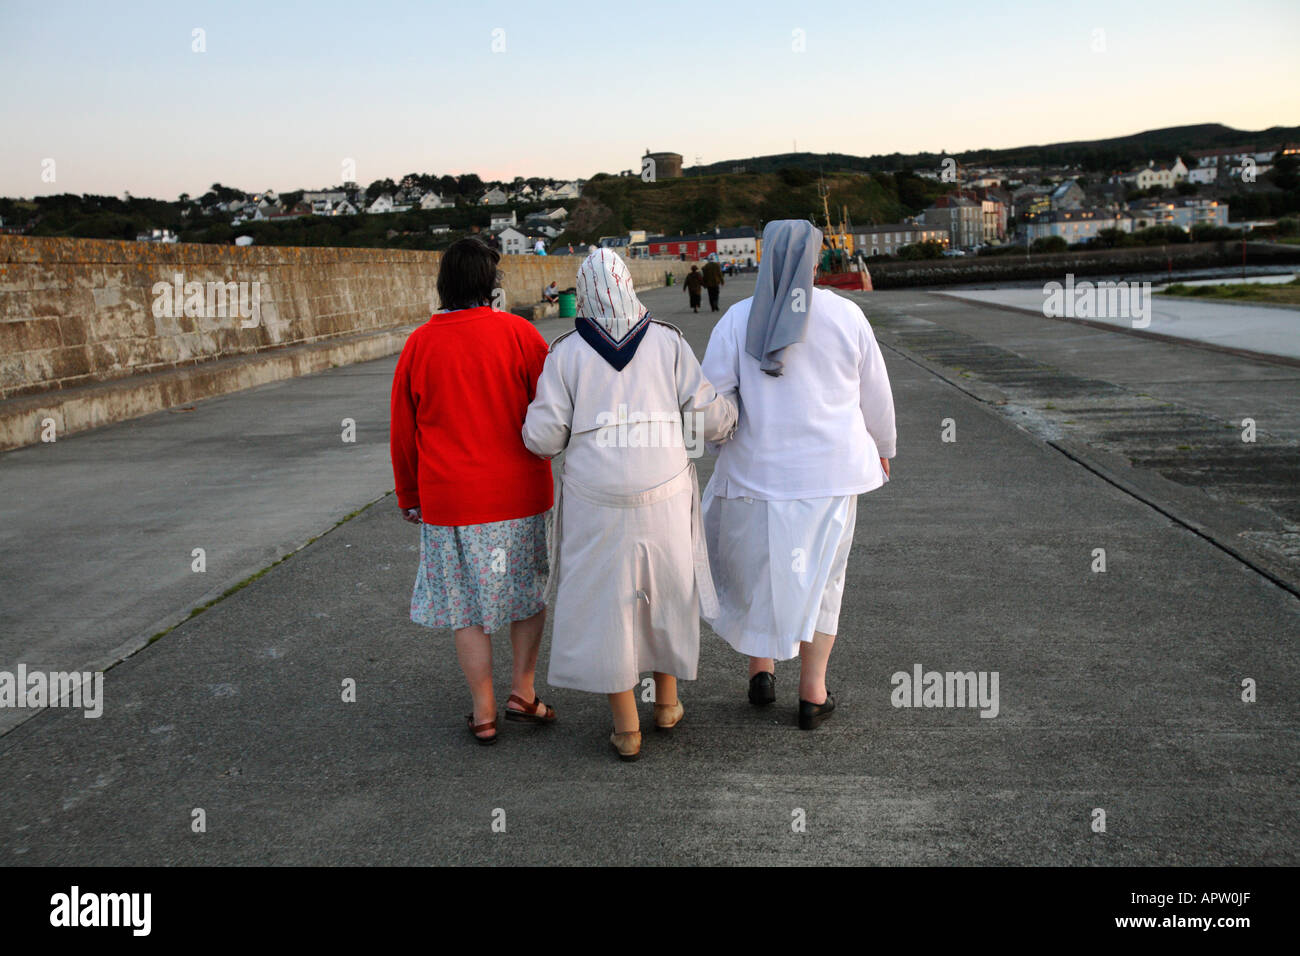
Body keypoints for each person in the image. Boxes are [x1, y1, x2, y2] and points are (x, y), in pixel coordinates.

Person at [523, 249, 737, 762]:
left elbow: (544, 438)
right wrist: (727, 419)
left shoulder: (566, 352)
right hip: (663, 487)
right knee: (666, 589)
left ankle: (626, 729)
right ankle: (666, 704)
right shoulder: (668, 340)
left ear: (585, 291)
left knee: (608, 603)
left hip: (596, 496)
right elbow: (706, 419)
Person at [700, 220, 896, 730]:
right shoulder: (846, 314)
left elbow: (712, 402)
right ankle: (812, 693)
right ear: (813, 261)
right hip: (831, 474)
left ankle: (760, 671)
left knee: (754, 571)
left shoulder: (738, 320)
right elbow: (872, 391)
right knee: (824, 579)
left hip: (754, 474)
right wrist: (882, 445)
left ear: (766, 259)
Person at [390, 237, 558, 746]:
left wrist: (409, 494)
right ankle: (523, 692)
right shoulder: (521, 334)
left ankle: (483, 710)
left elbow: (403, 429)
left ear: (444, 284)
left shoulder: (419, 343)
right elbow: (551, 410)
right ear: (491, 284)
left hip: (451, 499)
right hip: (519, 492)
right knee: (526, 594)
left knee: (465, 607)